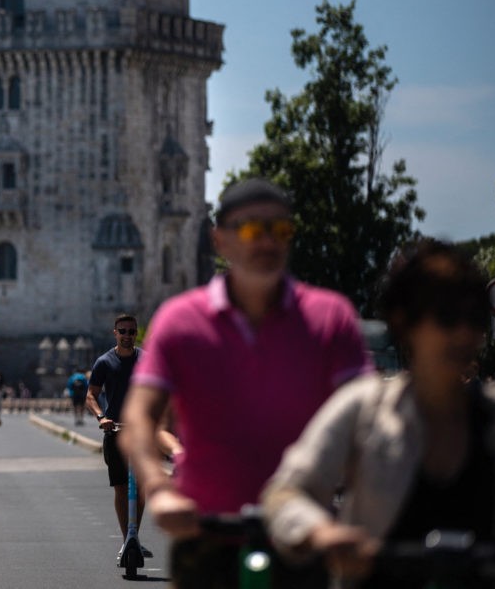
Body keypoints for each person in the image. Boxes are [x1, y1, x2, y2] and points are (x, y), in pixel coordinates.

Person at [119, 177, 371, 589]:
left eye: (280, 230)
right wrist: (157, 487)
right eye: (253, 228)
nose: (267, 242)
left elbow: (365, 420)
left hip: (304, 536)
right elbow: (139, 417)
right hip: (205, 536)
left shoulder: (332, 319)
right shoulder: (179, 321)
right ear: (220, 240)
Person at [261, 239, 495, 588]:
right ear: (405, 322)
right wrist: (322, 533)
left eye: (474, 318)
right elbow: (286, 493)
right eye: (446, 317)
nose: (463, 333)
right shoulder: (363, 408)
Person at [85, 313, 150, 560]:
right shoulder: (104, 362)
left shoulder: (147, 360)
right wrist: (102, 417)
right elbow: (91, 395)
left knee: (140, 489)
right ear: (115, 333)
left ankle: (134, 535)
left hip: (141, 431)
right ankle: (127, 539)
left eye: (131, 332)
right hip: (115, 430)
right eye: (122, 331)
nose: (127, 336)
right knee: (122, 488)